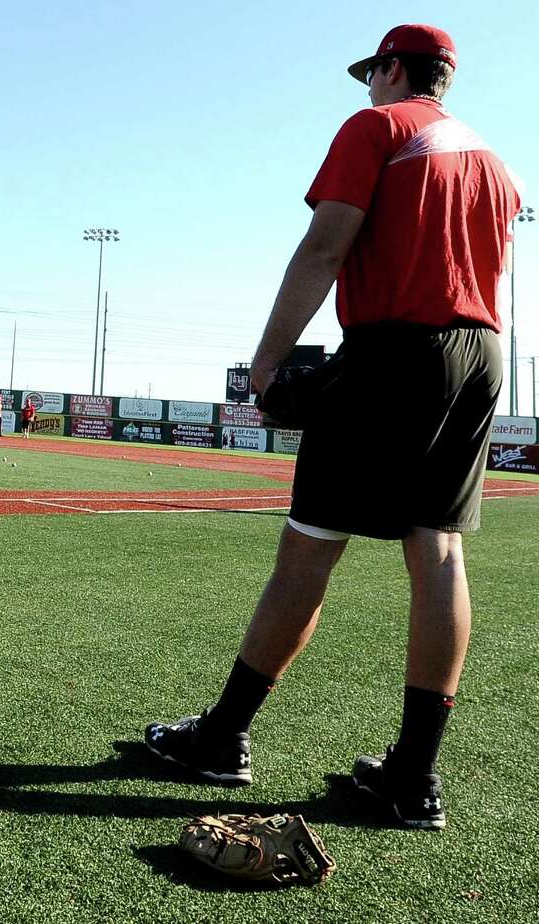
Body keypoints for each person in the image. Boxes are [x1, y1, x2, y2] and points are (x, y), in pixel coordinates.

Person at [137, 25, 518, 831]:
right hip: (482, 350)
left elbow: (325, 246)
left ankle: (223, 738)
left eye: (371, 74)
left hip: (396, 350)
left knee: (310, 546)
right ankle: (412, 778)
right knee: (440, 550)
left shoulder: (378, 127)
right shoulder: (495, 162)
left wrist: (267, 363)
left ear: (392, 68)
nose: (367, 89)